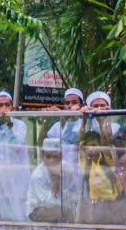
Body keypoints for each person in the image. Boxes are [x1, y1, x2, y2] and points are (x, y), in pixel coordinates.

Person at [0, 90, 30, 222]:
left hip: (16, 177)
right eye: (0, 105)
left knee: (18, 211)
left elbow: (16, 145)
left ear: (12, 107)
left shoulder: (20, 125)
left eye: (7, 105)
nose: (4, 108)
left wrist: (9, 125)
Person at [44, 86, 84, 214]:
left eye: (74, 102)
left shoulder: (85, 123)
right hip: (58, 173)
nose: (70, 106)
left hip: (79, 173)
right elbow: (44, 147)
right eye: (67, 103)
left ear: (81, 104)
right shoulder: (57, 126)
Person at [27, 137, 74, 222]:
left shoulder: (67, 169)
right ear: (42, 155)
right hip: (38, 211)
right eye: (48, 157)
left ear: (61, 156)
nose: (51, 160)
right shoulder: (38, 175)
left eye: (55, 157)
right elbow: (49, 203)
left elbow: (73, 193)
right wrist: (56, 180)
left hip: (62, 211)